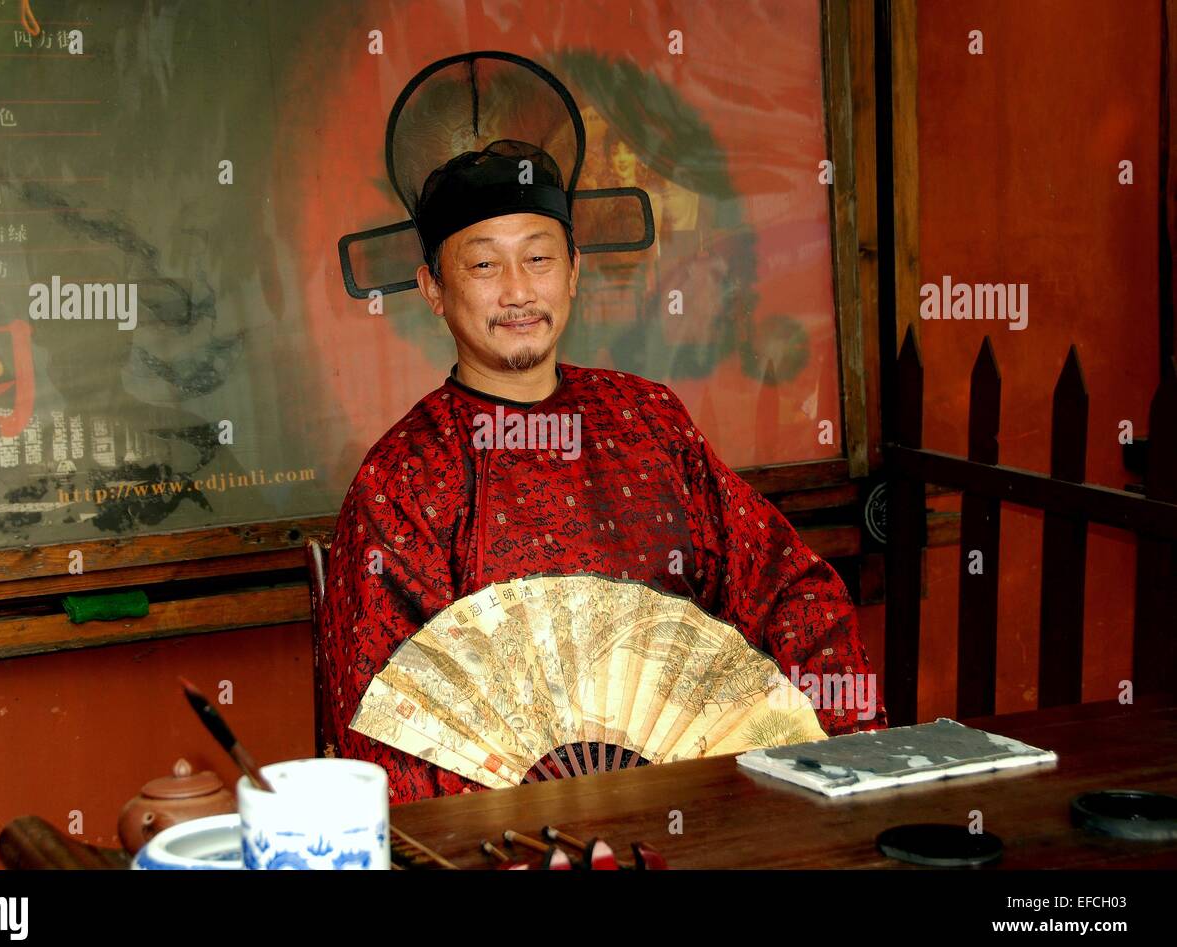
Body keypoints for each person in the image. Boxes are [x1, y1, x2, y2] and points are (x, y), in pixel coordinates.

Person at [320, 53, 885, 804]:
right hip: (508, 840)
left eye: (540, 258)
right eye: (483, 266)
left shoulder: (650, 423)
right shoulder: (403, 481)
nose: (518, 292)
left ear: (576, 269)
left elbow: (785, 587)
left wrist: (857, 749)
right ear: (433, 288)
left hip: (697, 813)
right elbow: (383, 725)